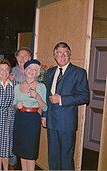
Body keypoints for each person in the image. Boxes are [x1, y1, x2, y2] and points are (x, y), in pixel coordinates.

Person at [43, 42, 89, 170]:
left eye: (65, 53)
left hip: (66, 122)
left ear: (69, 55)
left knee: (66, 158)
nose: (62, 56)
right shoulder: (50, 72)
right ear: (54, 55)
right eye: (59, 53)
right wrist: (44, 115)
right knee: (53, 156)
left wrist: (62, 99)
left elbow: (84, 96)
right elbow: (47, 95)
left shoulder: (79, 72)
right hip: (51, 120)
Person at [13, 59, 47, 170]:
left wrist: (37, 96)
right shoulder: (17, 87)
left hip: (33, 119)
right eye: (30, 68)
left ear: (37, 72)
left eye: (35, 69)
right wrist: (16, 106)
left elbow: (45, 107)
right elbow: (13, 105)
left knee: (30, 152)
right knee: (22, 151)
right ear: (25, 70)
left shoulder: (41, 86)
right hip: (20, 118)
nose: (32, 71)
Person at [8, 47, 32, 169]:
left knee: (27, 139)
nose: (22, 59)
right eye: (19, 56)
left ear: (30, 58)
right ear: (16, 59)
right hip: (13, 111)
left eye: (25, 56)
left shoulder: (36, 72)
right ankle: (12, 163)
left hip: (30, 114)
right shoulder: (10, 72)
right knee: (12, 136)